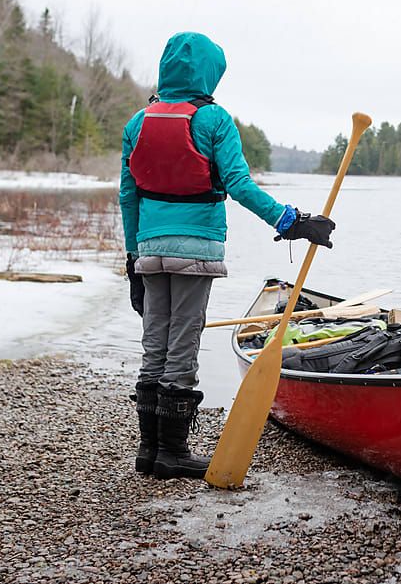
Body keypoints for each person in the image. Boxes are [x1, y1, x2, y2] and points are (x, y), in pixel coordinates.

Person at [119, 31, 334, 479]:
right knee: (182, 343)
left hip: (150, 251)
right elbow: (238, 185)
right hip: (196, 250)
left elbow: (128, 195)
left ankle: (149, 450)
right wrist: (291, 221)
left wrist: (132, 255)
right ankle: (172, 453)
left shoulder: (136, 123)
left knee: (154, 342)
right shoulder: (214, 120)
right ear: (210, 73)